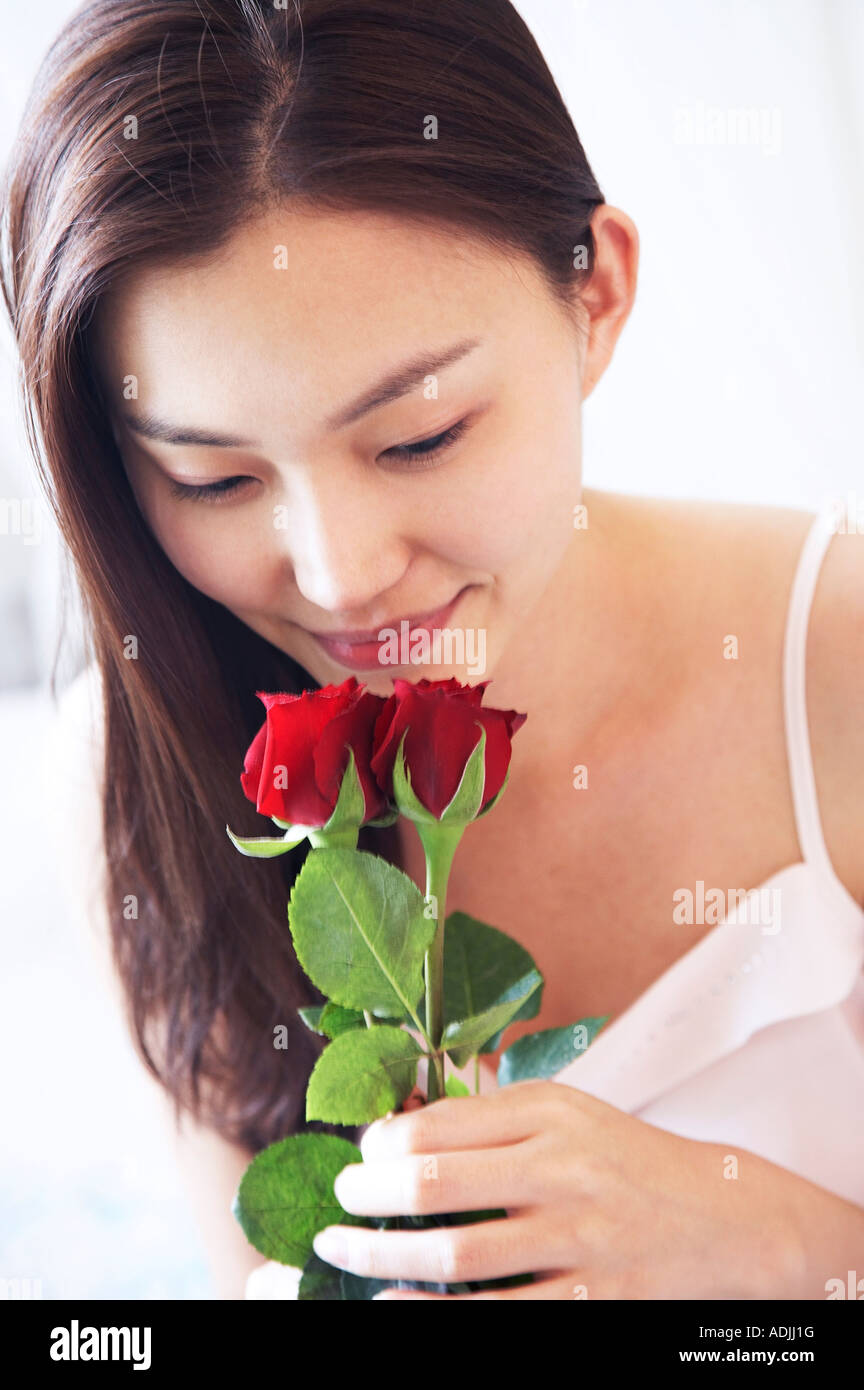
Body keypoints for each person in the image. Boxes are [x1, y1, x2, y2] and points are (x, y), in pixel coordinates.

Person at [3, 0, 862, 1301]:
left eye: (418, 437)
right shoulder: (128, 777)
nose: (341, 571)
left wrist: (787, 1251)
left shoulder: (837, 657)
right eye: (216, 479)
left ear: (599, 294)